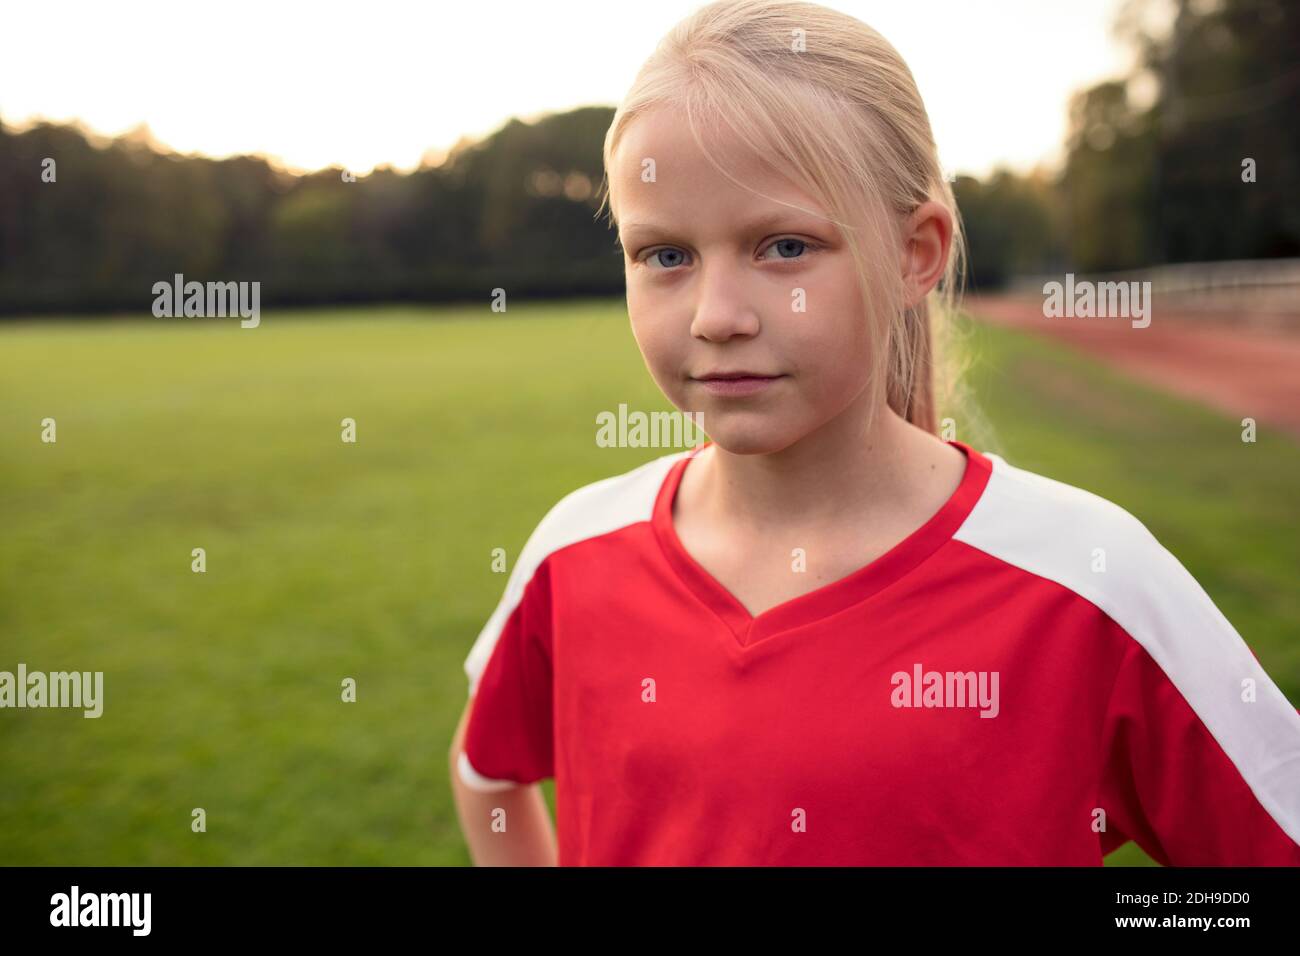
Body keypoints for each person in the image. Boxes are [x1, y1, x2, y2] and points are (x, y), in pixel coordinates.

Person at [449, 0, 1300, 866]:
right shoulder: (576, 550)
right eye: (664, 256)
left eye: (783, 247)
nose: (716, 317)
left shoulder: (1092, 584)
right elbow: (486, 774)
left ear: (915, 253)